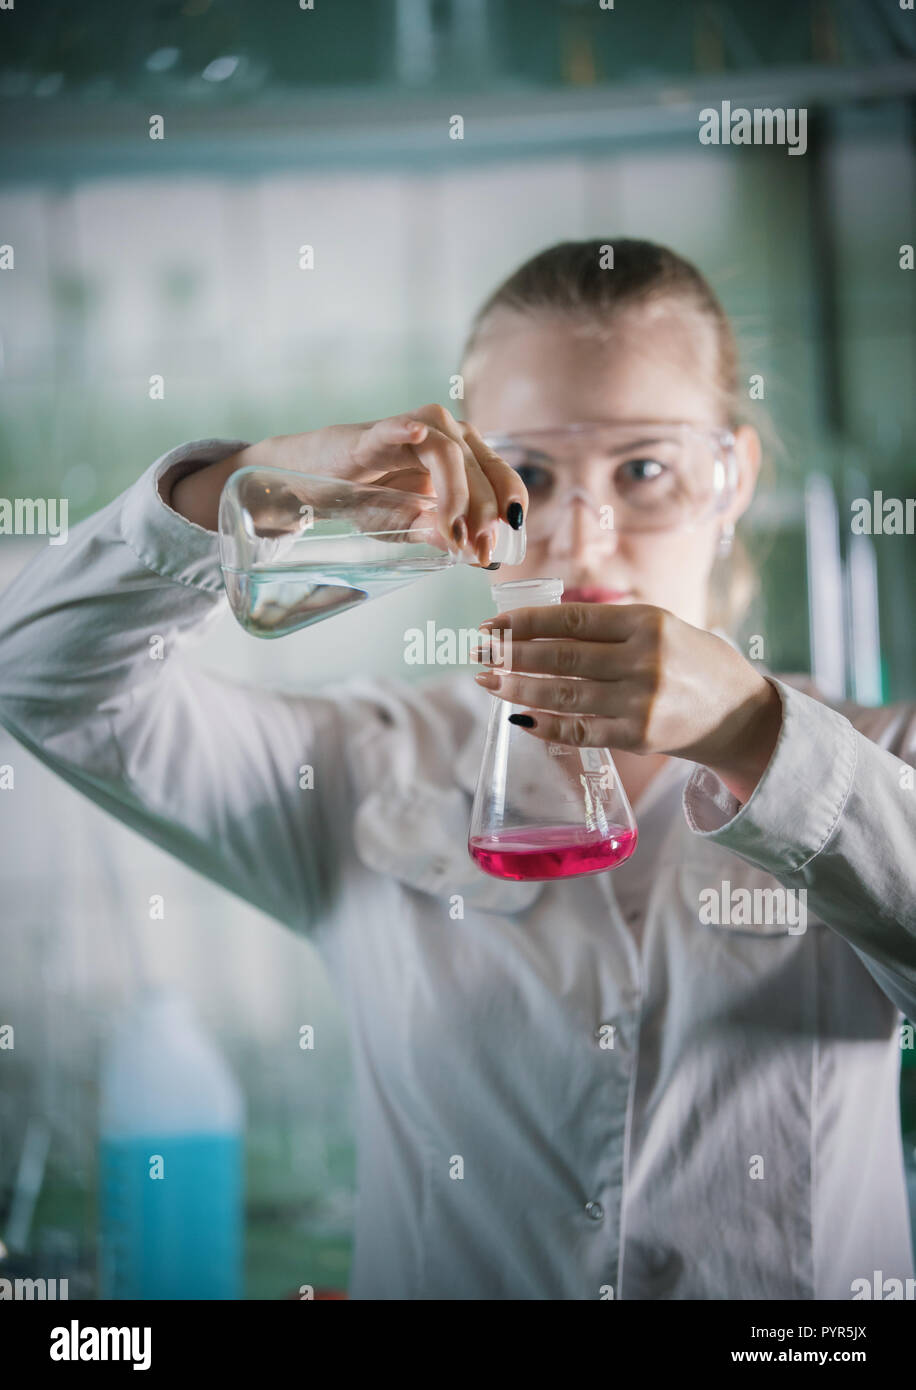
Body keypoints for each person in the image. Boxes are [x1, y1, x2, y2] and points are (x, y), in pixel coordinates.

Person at [0, 238, 913, 1301]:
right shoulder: (351, 766)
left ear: (732, 479)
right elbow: (38, 679)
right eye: (526, 475)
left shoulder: (882, 759)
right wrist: (248, 491)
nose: (583, 535)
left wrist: (757, 732)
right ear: (467, 503)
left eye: (645, 469)